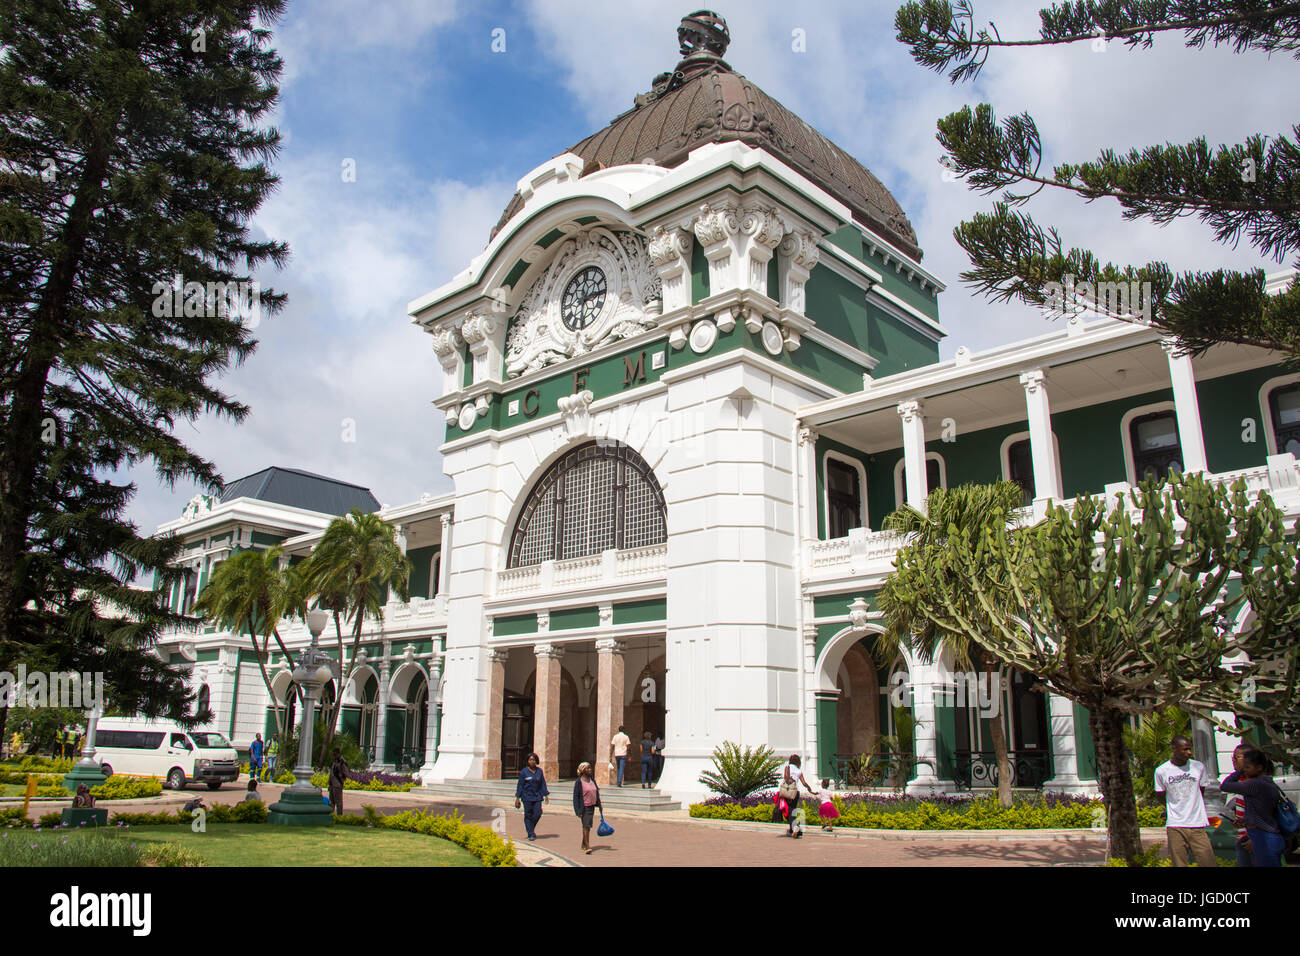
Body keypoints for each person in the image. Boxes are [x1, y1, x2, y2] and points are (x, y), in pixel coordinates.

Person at [1154, 735, 1216, 867]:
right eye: (1185, 749)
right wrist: (1174, 807)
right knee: (1179, 863)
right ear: (1174, 749)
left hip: (1197, 824)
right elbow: (1160, 795)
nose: (1189, 752)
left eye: (1190, 749)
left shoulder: (1198, 767)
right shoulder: (1161, 771)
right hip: (1175, 825)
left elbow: (1201, 789)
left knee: (1208, 862)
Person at [1220, 748, 1286, 867]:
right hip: (1270, 836)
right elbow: (1263, 813)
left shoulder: (1256, 784)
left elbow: (1225, 786)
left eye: (1248, 767)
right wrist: (1246, 821)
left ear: (1259, 768)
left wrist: (1239, 771)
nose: (1245, 771)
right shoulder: (1269, 783)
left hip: (1263, 837)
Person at [1221, 744, 1253, 867]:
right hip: (1243, 838)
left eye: (1236, 757)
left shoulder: (1254, 783)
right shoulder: (1242, 781)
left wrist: (1253, 840)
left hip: (1254, 840)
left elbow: (1264, 816)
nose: (1233, 761)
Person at [514, 751, 549, 840]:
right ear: (527, 761)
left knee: (538, 813)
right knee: (528, 814)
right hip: (527, 797)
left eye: (533, 760)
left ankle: (530, 827)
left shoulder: (539, 771)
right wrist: (517, 798)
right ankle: (531, 833)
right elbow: (520, 785)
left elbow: (542, 783)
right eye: (530, 760)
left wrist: (546, 795)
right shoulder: (524, 772)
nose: (532, 762)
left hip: (537, 796)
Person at [779, 754, 816, 838]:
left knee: (787, 810)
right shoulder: (799, 771)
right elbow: (804, 783)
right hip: (796, 792)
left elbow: (785, 778)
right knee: (793, 809)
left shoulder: (787, 767)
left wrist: (789, 778)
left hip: (787, 791)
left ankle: (795, 827)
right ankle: (794, 829)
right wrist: (810, 789)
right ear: (798, 762)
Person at [572, 761, 602, 855]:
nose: (590, 770)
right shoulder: (579, 782)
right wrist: (578, 811)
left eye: (590, 768)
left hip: (592, 806)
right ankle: (587, 846)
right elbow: (576, 796)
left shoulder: (592, 780)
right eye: (587, 768)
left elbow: (596, 791)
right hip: (584, 807)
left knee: (588, 825)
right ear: (582, 770)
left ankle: (583, 844)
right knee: (586, 826)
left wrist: (599, 804)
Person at [329, 747, 348, 816]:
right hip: (332, 784)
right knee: (331, 801)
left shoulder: (342, 762)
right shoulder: (335, 761)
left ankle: (339, 816)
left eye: (335, 754)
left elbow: (346, 773)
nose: (334, 756)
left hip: (337, 784)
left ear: (339, 754)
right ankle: (331, 815)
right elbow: (331, 773)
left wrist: (340, 778)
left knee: (338, 802)